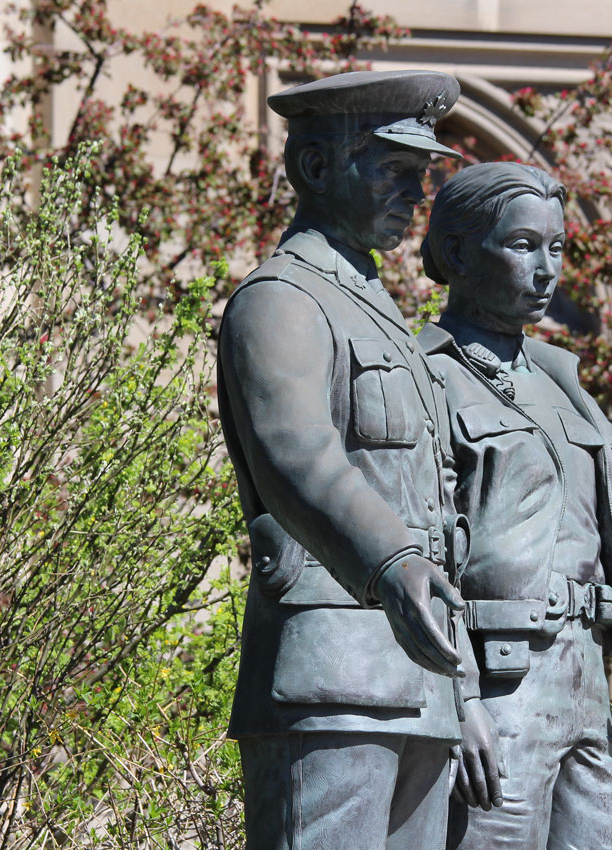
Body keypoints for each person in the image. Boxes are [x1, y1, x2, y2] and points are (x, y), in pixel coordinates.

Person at [417, 162, 612, 850]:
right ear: (460, 252)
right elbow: (419, 552)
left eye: (557, 248)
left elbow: (600, 539)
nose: (547, 269)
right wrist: (459, 699)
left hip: (586, 685)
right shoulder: (424, 379)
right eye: (524, 245)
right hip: (499, 685)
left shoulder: (567, 385)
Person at [217, 70, 479, 850]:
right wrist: (394, 562)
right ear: (318, 169)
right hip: (329, 676)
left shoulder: (383, 317)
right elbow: (297, 454)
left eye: (425, 175)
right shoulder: (283, 300)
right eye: (396, 170)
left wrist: (464, 693)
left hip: (421, 681)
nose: (417, 193)